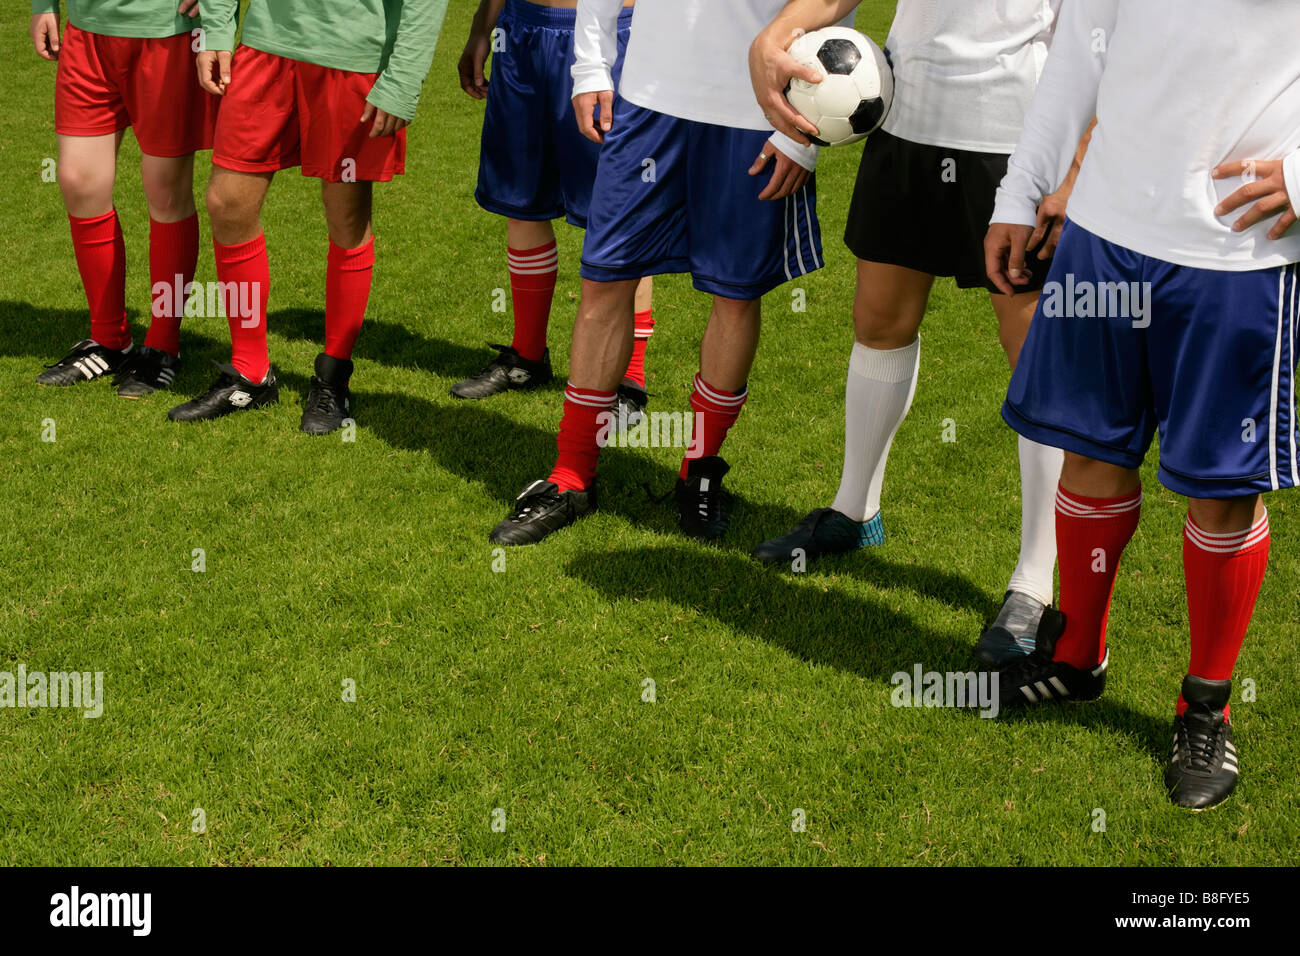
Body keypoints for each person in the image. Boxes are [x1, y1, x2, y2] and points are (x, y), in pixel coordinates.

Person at [985, 0, 1299, 809]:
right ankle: (1076, 658)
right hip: (1107, 231)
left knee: (1222, 489)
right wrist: (1017, 195)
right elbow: (1077, 62)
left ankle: (1207, 706)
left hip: (1239, 248)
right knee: (1089, 453)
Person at [749, 0, 1086, 666]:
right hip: (904, 126)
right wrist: (778, 36)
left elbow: (1097, 42)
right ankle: (853, 509)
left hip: (1017, 145)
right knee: (879, 322)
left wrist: (1074, 170)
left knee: (1037, 361)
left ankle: (1035, 580)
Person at [489, 0, 826, 546]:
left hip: (757, 112)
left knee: (735, 296)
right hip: (646, 100)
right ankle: (570, 475)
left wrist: (801, 130)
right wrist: (592, 66)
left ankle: (699, 469)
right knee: (605, 280)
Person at [169, 0, 448, 433]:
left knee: (346, 217)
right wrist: (217, 30)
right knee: (227, 201)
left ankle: (333, 377)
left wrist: (404, 79)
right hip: (266, 46)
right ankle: (250, 372)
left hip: (354, 57)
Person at [455, 0, 654, 430]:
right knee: (521, 202)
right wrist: (481, 27)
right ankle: (527, 356)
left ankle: (629, 380)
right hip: (522, 32)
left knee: (620, 216)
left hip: (607, 35)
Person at [29, 0, 216, 398]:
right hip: (88, 30)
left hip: (167, 30)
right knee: (79, 181)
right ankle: (109, 339)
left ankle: (163, 345)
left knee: (166, 191)